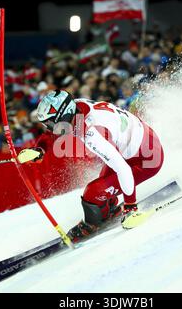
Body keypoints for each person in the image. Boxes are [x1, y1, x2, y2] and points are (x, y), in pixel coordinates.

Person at [36, 89, 164, 242]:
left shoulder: (93, 133)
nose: (49, 128)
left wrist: (131, 208)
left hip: (146, 160)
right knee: (101, 186)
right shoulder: (78, 106)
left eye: (50, 123)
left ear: (64, 115)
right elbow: (56, 131)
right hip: (140, 143)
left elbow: (123, 169)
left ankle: (93, 223)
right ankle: (108, 210)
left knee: (93, 193)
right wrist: (40, 148)